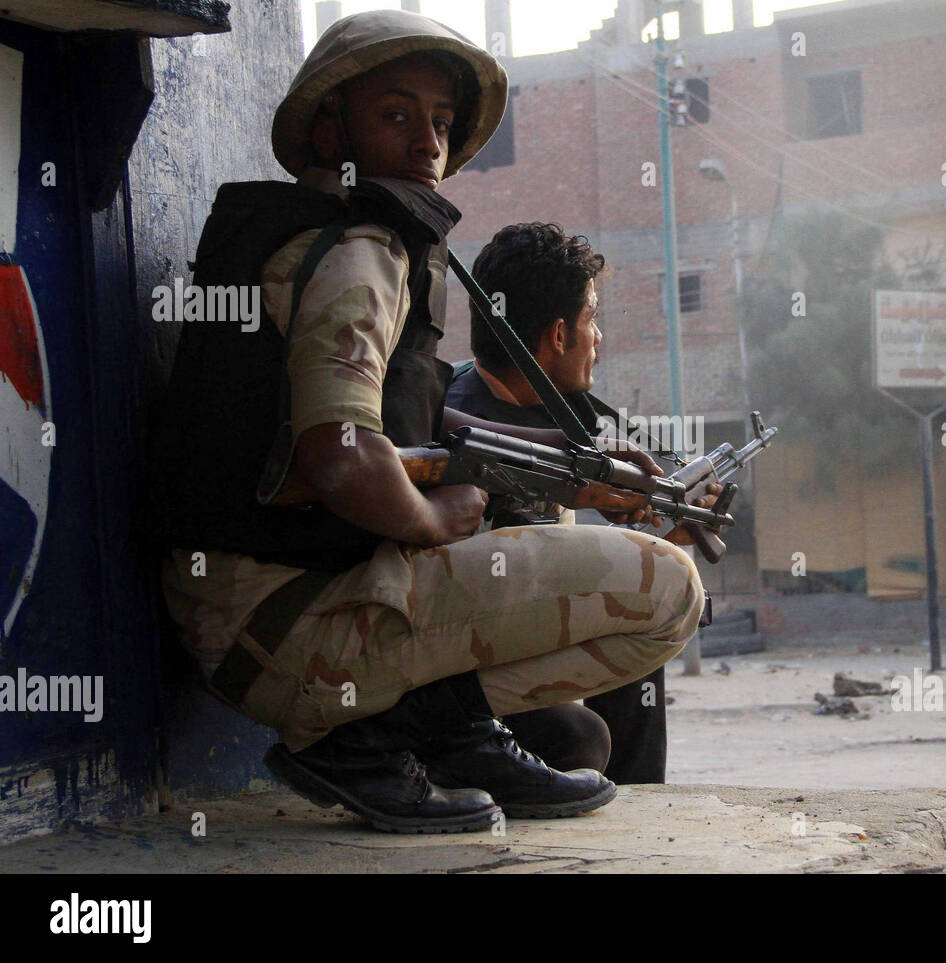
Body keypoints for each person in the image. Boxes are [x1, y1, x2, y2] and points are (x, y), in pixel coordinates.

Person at [148, 11, 705, 834]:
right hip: (284, 627)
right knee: (668, 591)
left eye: (440, 123)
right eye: (396, 115)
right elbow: (340, 456)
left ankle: (436, 734)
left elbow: (411, 428)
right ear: (331, 128)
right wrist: (435, 520)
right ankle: (369, 741)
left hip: (255, 616)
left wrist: (573, 462)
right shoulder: (361, 251)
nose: (427, 144)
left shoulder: (336, 240)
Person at [447, 222, 720, 783]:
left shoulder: (555, 418)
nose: (599, 337)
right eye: (591, 319)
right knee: (576, 735)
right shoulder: (466, 424)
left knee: (636, 653)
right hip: (453, 669)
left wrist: (675, 536)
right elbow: (513, 592)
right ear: (558, 336)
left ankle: (641, 820)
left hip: (508, 640)